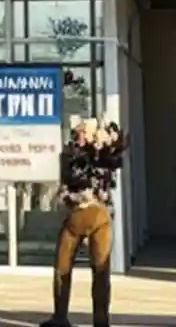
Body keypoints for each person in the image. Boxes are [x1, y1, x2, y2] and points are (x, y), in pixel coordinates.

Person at [40, 119, 127, 327]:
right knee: (68, 267)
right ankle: (65, 317)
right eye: (79, 133)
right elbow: (73, 176)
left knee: (95, 269)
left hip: (93, 216)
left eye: (82, 133)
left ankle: (95, 319)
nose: (80, 136)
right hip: (82, 216)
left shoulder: (100, 155)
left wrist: (106, 147)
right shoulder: (74, 155)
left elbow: (112, 167)